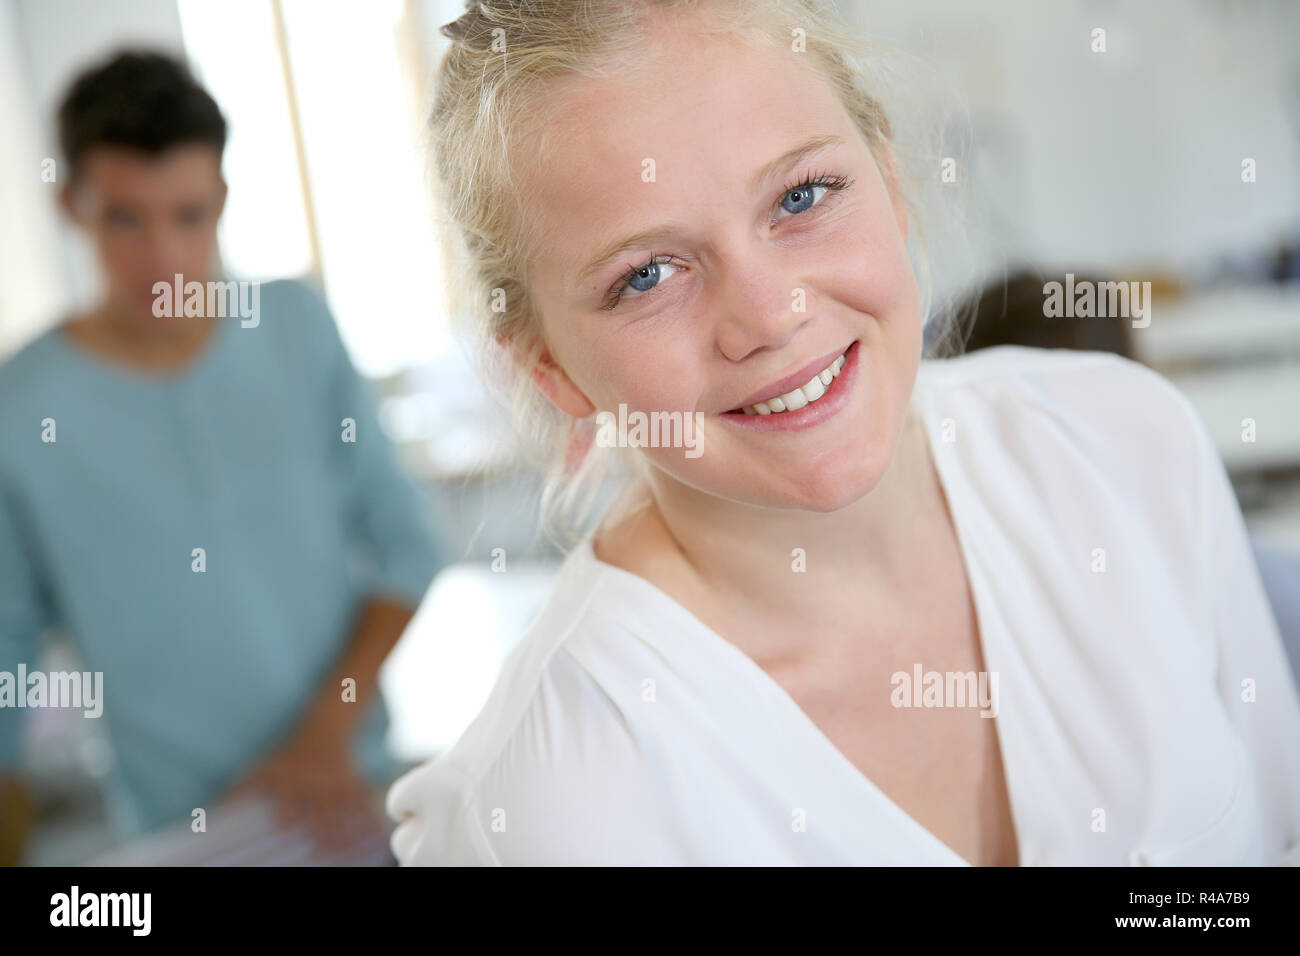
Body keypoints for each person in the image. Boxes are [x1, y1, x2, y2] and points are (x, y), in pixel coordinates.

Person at [384, 0, 1300, 866]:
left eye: (800, 197)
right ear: (549, 369)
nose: (770, 316)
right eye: (648, 275)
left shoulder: (1124, 443)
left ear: (892, 182)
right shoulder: (544, 805)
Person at [0, 50, 446, 863]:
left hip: (351, 803)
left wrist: (322, 734)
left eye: (189, 215)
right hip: (180, 837)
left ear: (224, 200)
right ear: (70, 206)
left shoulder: (297, 329)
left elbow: (407, 546)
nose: (164, 259)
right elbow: (7, 642)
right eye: (125, 219)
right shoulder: (20, 406)